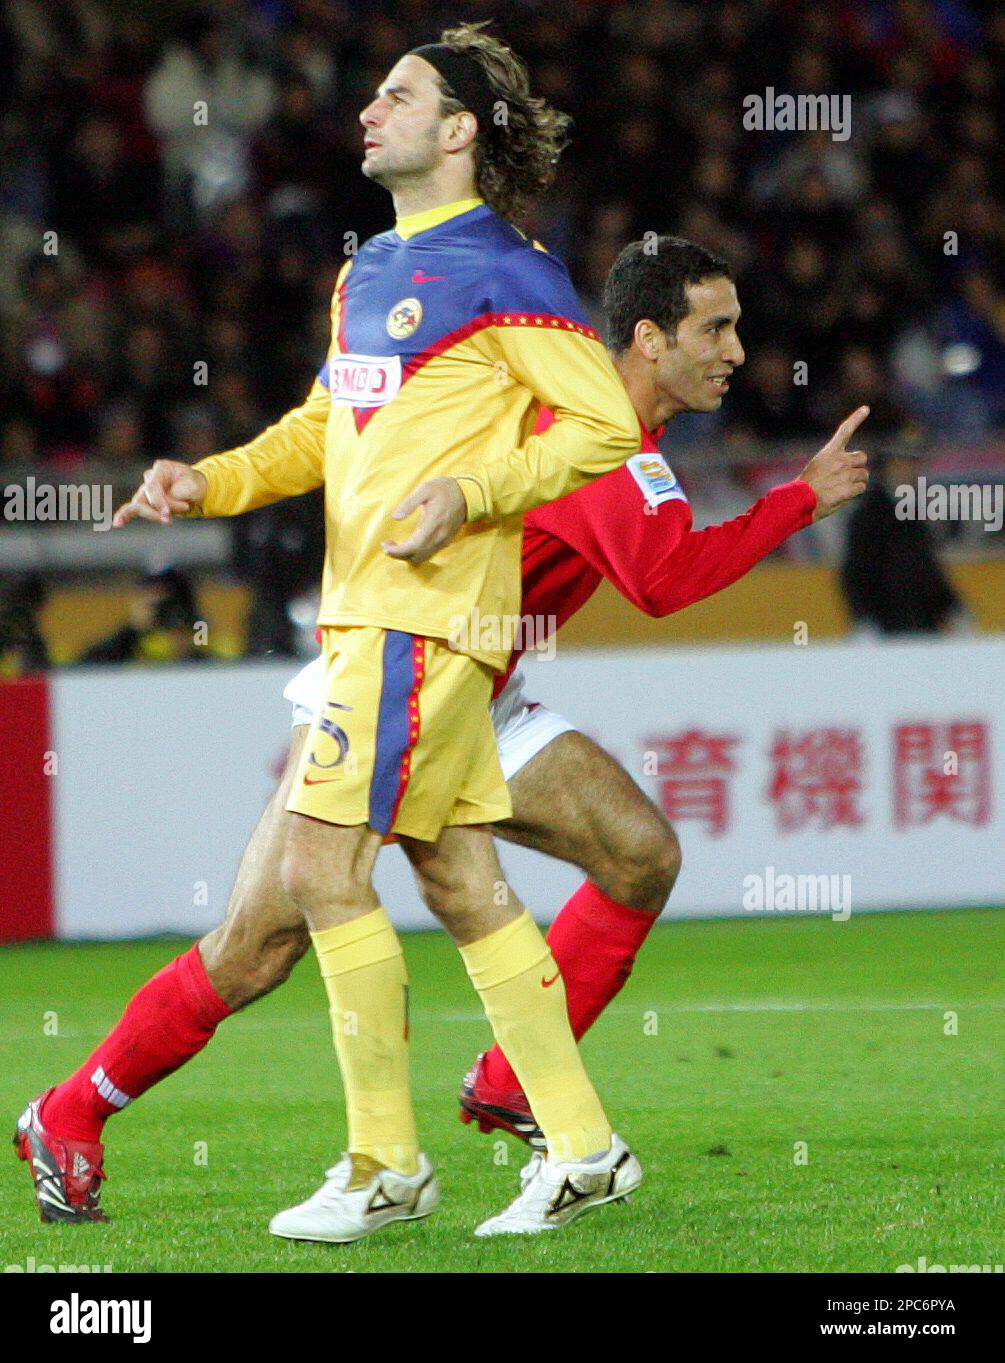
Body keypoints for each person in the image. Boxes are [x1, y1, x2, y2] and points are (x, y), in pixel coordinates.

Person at [15, 233, 870, 1240]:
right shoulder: (590, 432)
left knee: (639, 853)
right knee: (260, 943)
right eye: (714, 328)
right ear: (649, 338)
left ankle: (512, 1092)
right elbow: (664, 580)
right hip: (393, 678)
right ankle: (73, 1116)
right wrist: (801, 498)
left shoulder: (609, 433)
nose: (734, 350)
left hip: (473, 690)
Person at [16, 23, 643, 1241]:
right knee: (463, 881)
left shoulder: (505, 269)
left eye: (398, 96)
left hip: (421, 620)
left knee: (315, 872)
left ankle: (385, 1162)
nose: (370, 110)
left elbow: (606, 423)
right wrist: (212, 479)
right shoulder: (370, 273)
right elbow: (320, 430)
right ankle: (581, 1144)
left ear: (459, 131)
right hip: (379, 620)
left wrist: (471, 492)